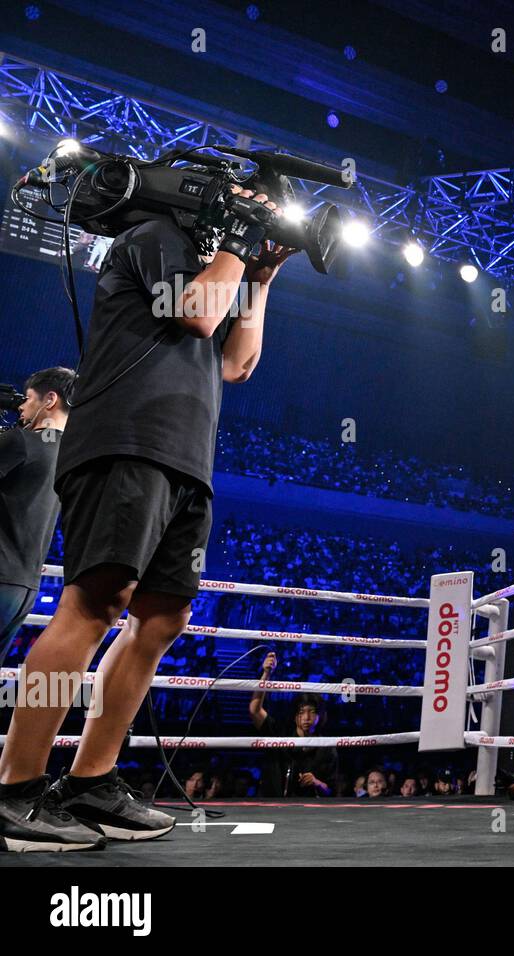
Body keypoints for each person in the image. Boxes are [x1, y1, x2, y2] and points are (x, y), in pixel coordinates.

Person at [0, 184, 296, 852]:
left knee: (162, 617)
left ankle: (91, 783)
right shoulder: (156, 238)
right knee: (96, 604)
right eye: (250, 203)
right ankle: (15, 789)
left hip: (185, 456)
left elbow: (236, 362)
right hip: (126, 441)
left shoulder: (216, 263)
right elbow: (195, 314)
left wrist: (263, 277)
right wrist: (238, 245)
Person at [0, 367, 74, 666]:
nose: (21, 406)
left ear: (50, 400)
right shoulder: (71, 456)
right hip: (23, 586)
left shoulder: (21, 442)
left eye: (28, 399)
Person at [249, 652, 338, 798]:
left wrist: (317, 782)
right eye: (301, 712)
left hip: (307, 812)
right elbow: (254, 710)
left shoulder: (327, 749)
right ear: (295, 714)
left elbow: (332, 791)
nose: (306, 717)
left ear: (320, 715)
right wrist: (266, 673)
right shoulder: (279, 733)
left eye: (312, 712)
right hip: (271, 806)